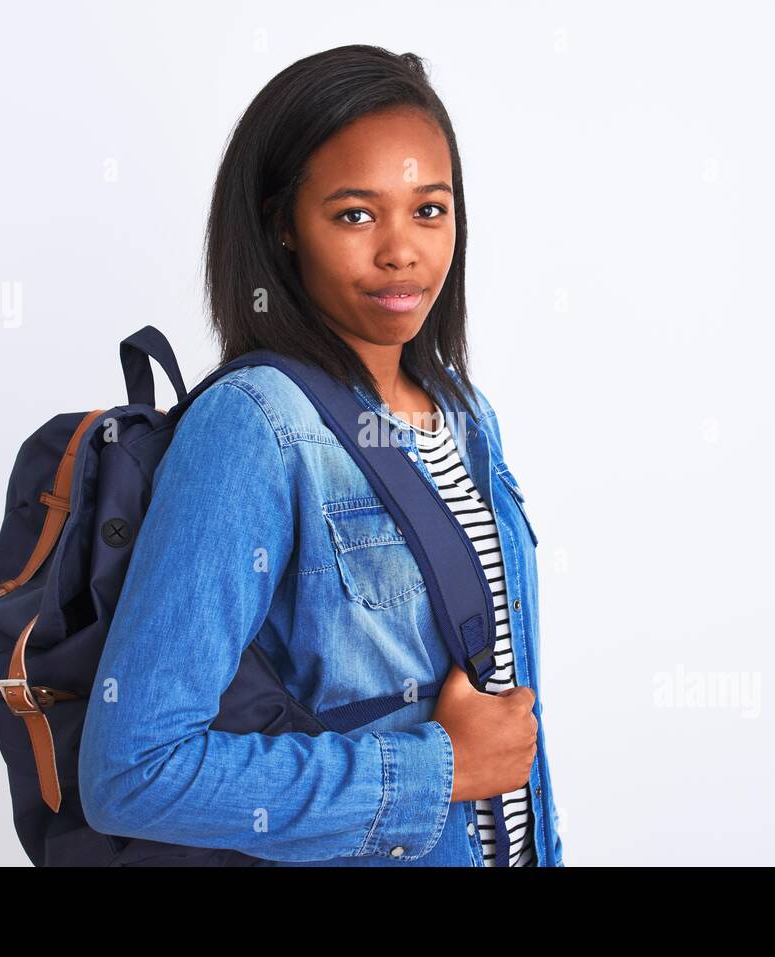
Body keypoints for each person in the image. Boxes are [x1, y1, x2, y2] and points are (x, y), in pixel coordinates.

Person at [79, 43, 564, 867]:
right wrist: (439, 767)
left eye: (429, 209)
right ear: (282, 225)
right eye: (355, 214)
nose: (401, 251)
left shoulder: (463, 411)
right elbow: (133, 770)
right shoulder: (254, 425)